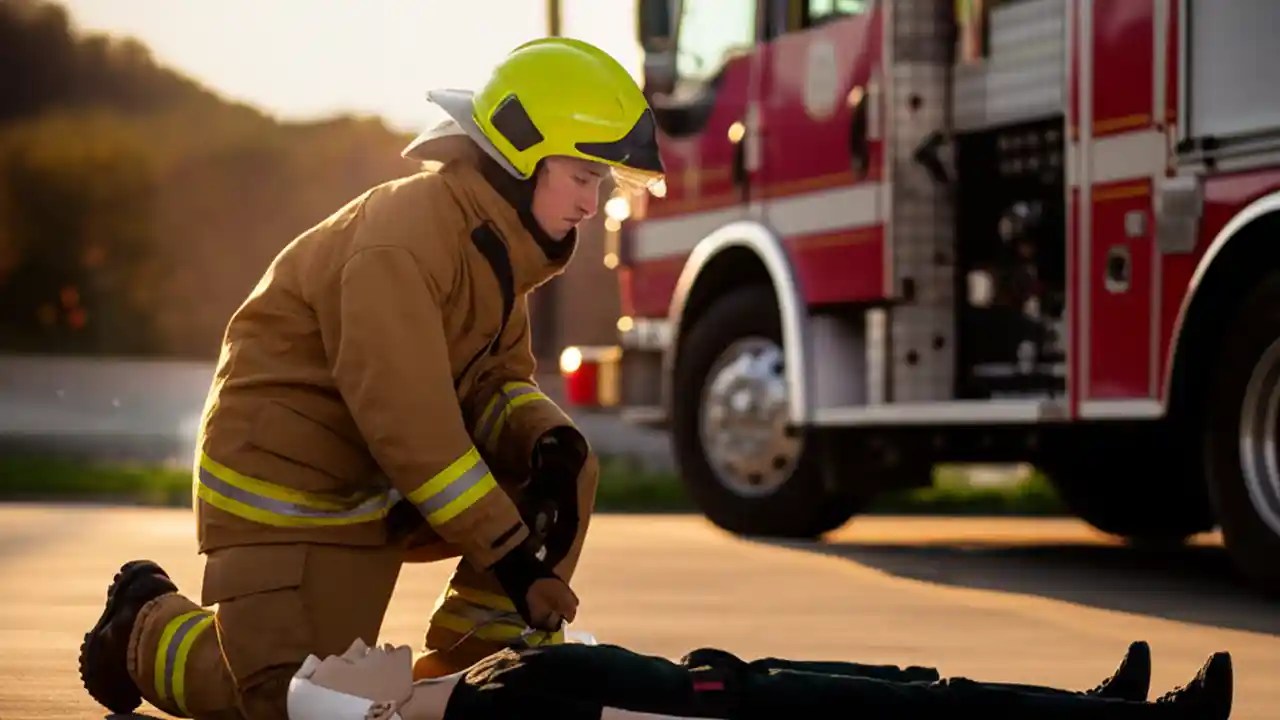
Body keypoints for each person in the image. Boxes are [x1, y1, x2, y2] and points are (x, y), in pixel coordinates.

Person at [77, 36, 666, 720]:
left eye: (603, 184)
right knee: (293, 704)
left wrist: (548, 450)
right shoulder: (403, 244)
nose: (593, 206)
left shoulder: (496, 253)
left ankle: (482, 667)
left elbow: (495, 387)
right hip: (284, 494)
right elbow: (409, 425)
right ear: (516, 153)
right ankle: (142, 628)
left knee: (568, 463)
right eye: (582, 177)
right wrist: (516, 563)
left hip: (371, 486)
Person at [285, 637, 1233, 720]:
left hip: (738, 680)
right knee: (940, 711)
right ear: (367, 705)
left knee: (920, 684)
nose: (355, 644)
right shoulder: (492, 712)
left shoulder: (478, 675)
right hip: (750, 709)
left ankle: (1095, 706)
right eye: (340, 664)